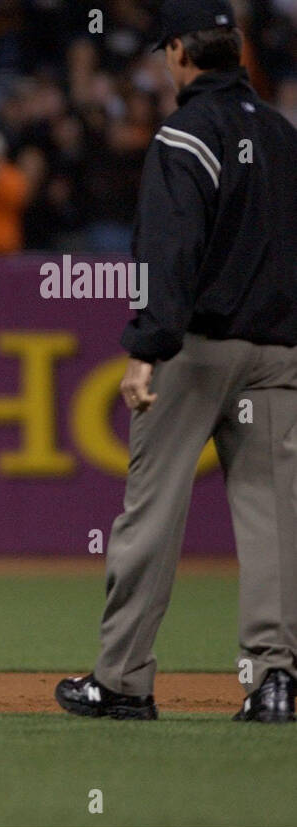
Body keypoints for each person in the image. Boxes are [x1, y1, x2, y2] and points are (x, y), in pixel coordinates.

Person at [56, 0, 297, 723]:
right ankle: (276, 682)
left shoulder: (185, 134)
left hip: (196, 349)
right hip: (280, 352)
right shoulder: (285, 138)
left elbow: (169, 252)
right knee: (274, 520)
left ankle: (124, 681)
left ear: (179, 54)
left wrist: (148, 349)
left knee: (153, 514)